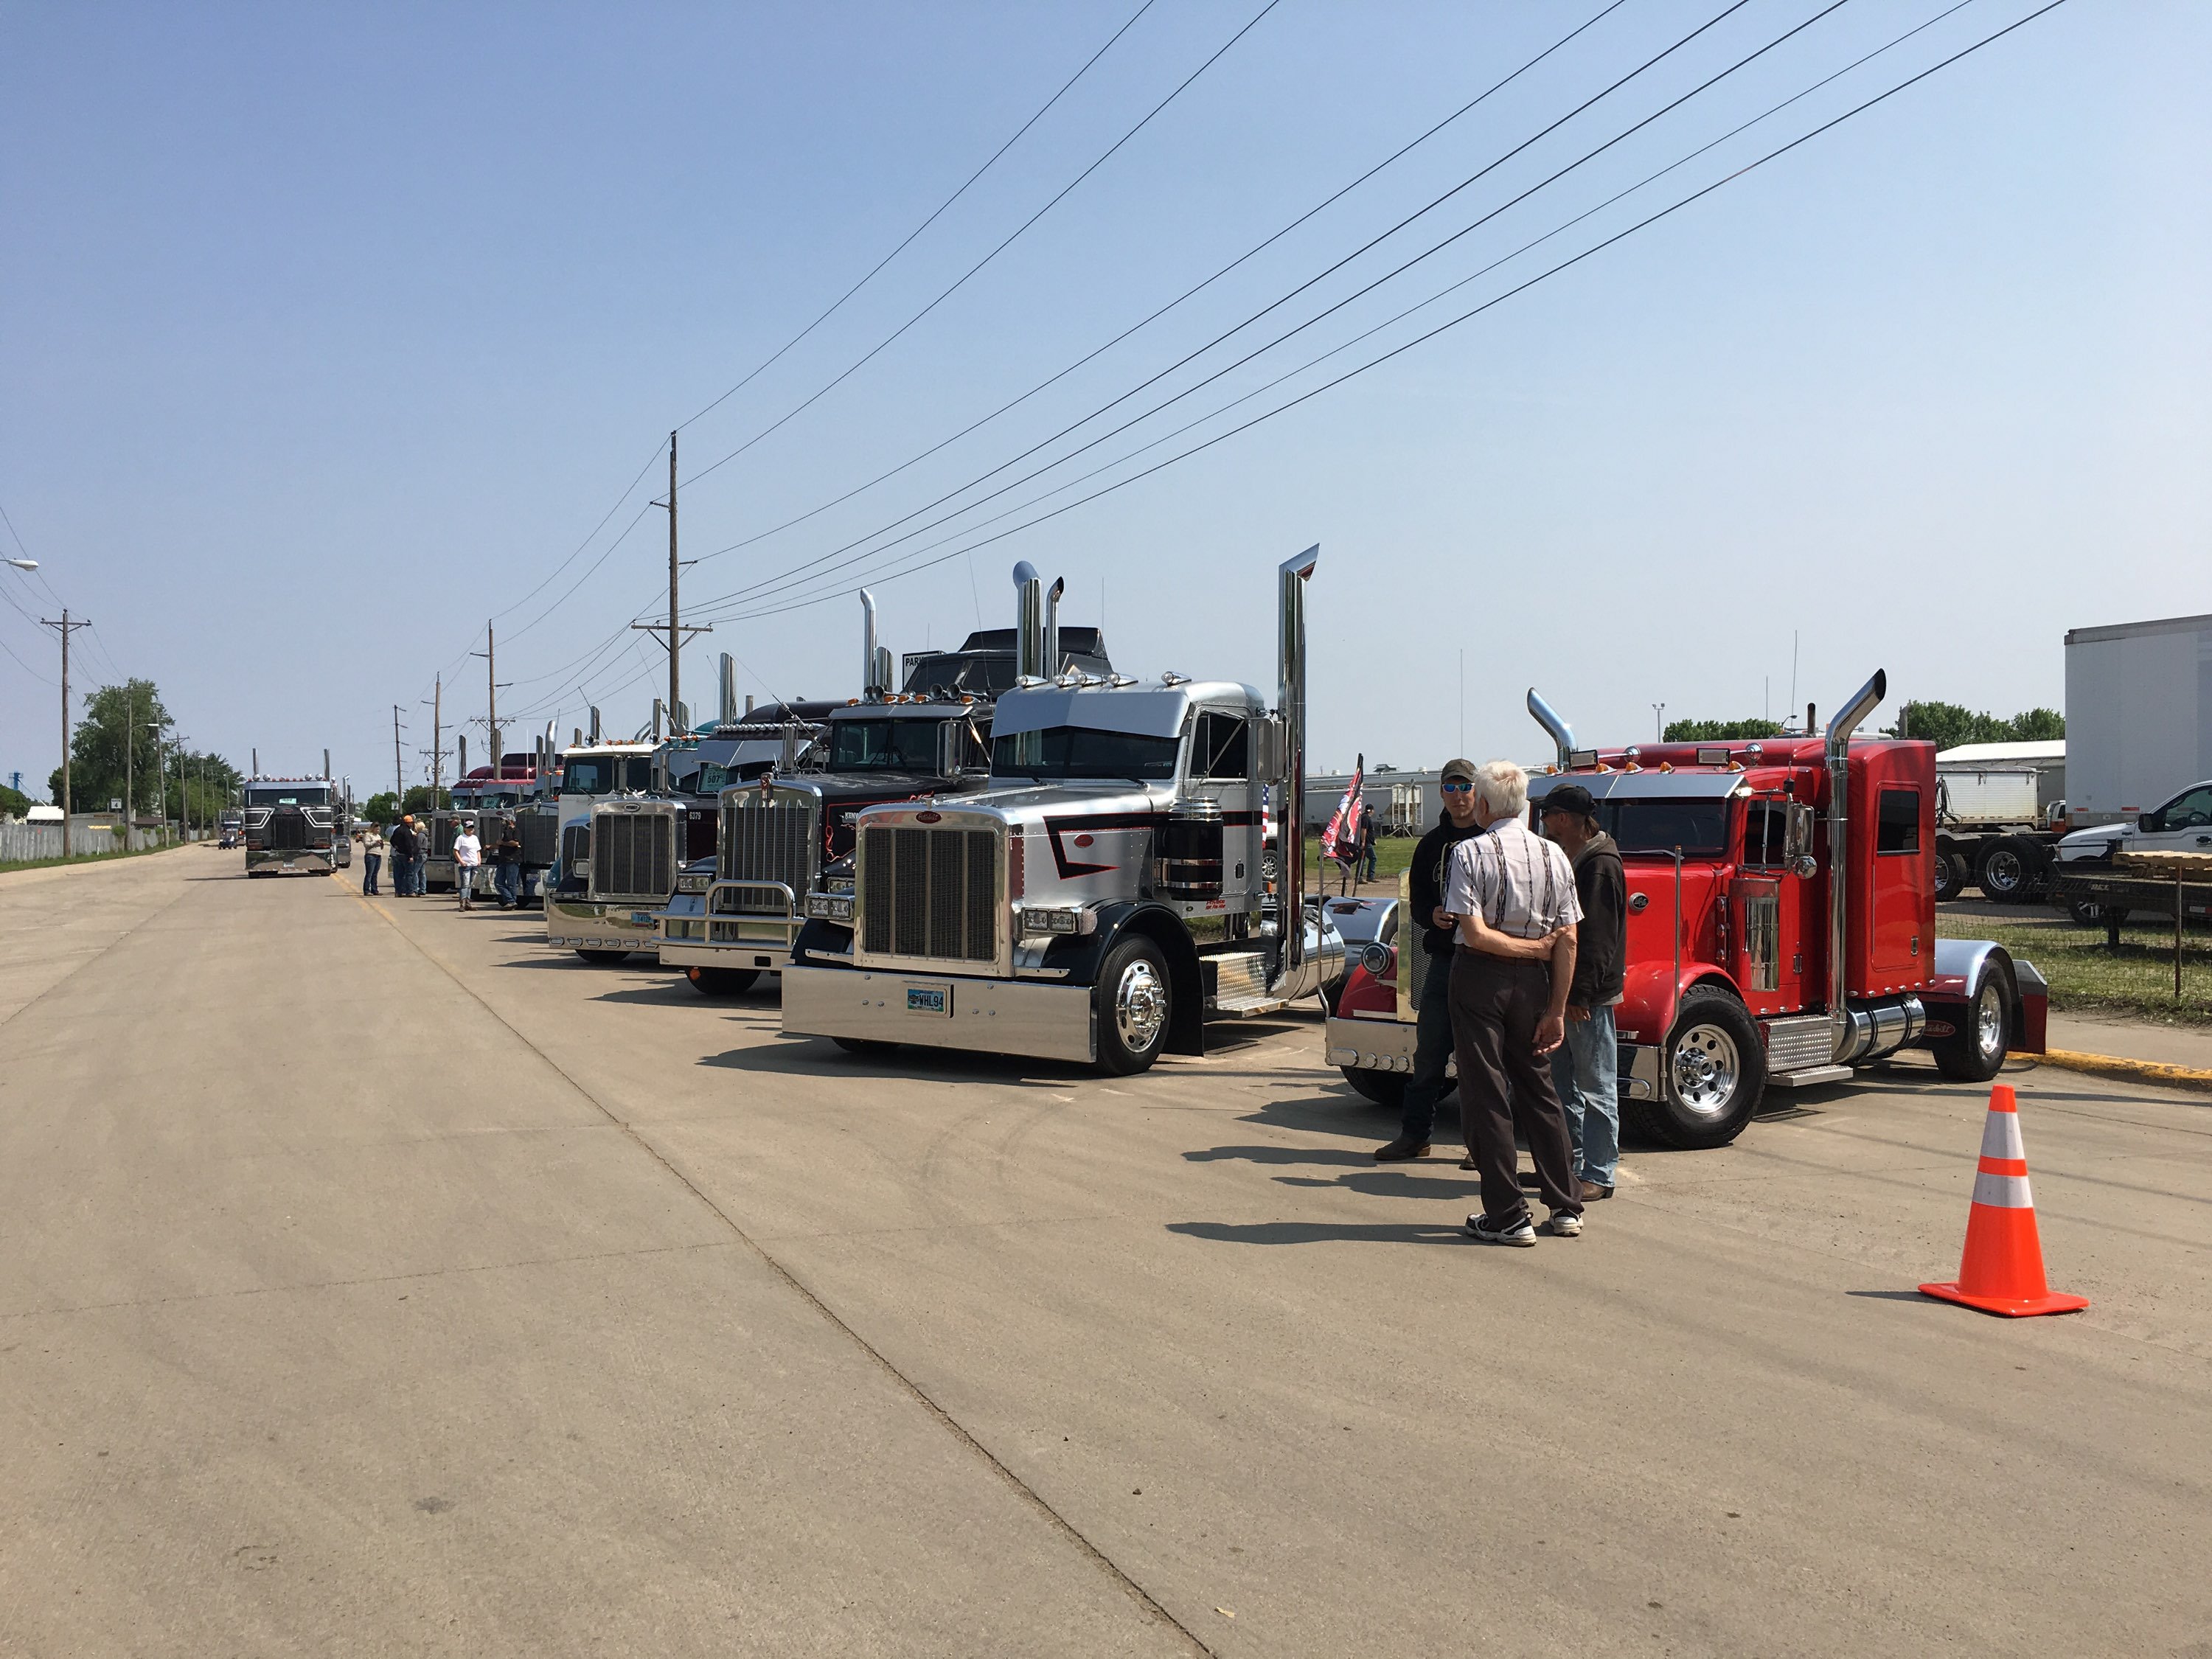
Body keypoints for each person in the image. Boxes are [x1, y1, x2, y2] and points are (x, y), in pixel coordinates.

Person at [1443, 759, 1585, 1246]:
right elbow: (1568, 939)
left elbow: (1475, 934)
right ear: (1526, 805)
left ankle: (1508, 1214)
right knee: (1539, 1088)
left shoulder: (1469, 853)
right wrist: (1557, 1009)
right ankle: (1565, 1205)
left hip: (1481, 980)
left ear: (1482, 805)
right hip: (1535, 984)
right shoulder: (1555, 856)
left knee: (1486, 1092)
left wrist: (1526, 950)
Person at [1373, 760, 1486, 1162]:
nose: (1459, 796)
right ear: (1441, 792)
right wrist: (1431, 914)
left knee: (1481, 1060)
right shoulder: (1431, 844)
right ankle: (1415, 1135)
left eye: (1466, 787)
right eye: (1451, 788)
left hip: (1485, 962)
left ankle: (1482, 1145)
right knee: (1429, 1055)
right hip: (1442, 961)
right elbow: (1419, 898)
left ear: (1478, 791)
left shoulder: (1492, 839)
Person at [1540, 785, 1627, 1201]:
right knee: (1563, 1086)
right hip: (1565, 992)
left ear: (1565, 819)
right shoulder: (1572, 857)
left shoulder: (1600, 864)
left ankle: (1600, 1173)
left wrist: (1579, 996)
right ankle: (1569, 1168)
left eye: (1548, 815)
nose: (1543, 823)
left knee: (1596, 1086)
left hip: (1585, 998)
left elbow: (1597, 939)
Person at [451, 818, 482, 911]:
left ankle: (468, 903)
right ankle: (462, 903)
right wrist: (461, 862)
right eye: (469, 828)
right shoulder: (461, 838)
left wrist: (479, 860)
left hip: (474, 864)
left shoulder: (475, 838)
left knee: (470, 885)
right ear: (465, 829)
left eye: (472, 827)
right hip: (465, 865)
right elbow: (455, 851)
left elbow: (478, 851)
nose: (471, 829)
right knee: (465, 885)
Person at [491, 821, 524, 908]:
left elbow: (516, 843)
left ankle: (511, 902)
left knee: (511, 883)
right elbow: (502, 845)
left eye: (506, 821)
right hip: (502, 860)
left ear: (512, 822)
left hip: (513, 860)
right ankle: (511, 900)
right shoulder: (504, 833)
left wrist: (502, 843)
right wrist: (491, 846)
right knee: (498, 882)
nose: (503, 823)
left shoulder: (516, 831)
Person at [388, 815, 421, 897]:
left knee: (399, 874)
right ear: (409, 823)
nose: (412, 824)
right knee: (409, 874)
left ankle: (398, 892)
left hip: (398, 854)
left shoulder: (397, 830)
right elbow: (409, 844)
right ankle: (410, 891)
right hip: (406, 855)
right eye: (411, 823)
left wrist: (396, 846)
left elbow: (392, 840)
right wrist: (410, 856)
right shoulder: (407, 831)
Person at [1357, 799, 1379, 883]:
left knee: (1363, 860)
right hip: (1366, 843)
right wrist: (1363, 841)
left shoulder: (1363, 817)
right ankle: (1370, 876)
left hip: (1367, 842)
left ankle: (1360, 877)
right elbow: (1364, 830)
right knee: (1373, 858)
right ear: (1372, 810)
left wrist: (1373, 840)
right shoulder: (1366, 818)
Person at [361, 825, 385, 896]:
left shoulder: (378, 836)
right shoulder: (368, 835)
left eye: (379, 829)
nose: (378, 831)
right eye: (377, 829)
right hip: (371, 855)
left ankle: (374, 890)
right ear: (373, 828)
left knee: (375, 874)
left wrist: (381, 843)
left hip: (378, 855)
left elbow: (381, 847)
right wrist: (375, 842)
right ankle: (366, 890)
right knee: (369, 874)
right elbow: (366, 845)